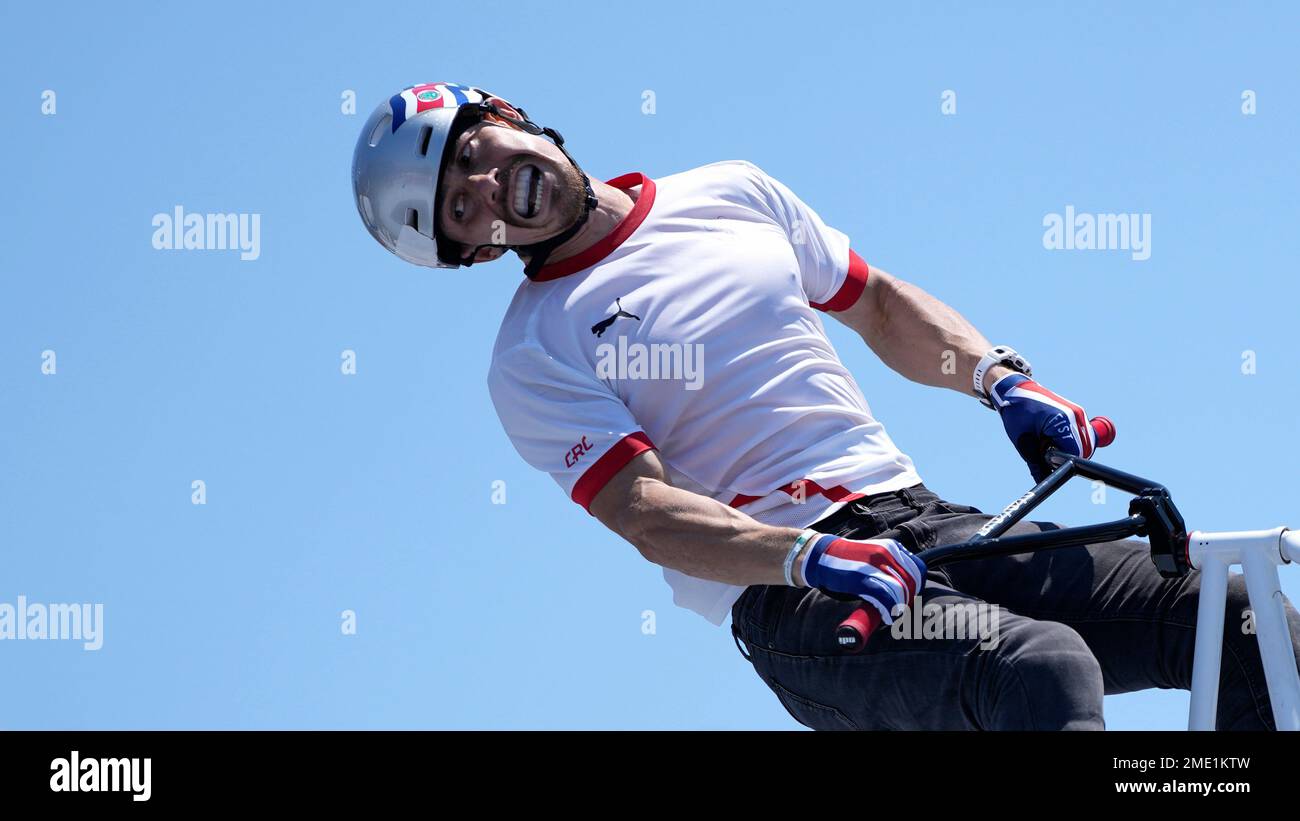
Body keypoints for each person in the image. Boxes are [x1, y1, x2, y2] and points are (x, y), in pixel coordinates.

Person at [351, 82, 1300, 730]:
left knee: (1244, 617)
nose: (483, 187)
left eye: (474, 152)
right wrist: (805, 555)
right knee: (1038, 670)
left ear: (511, 116)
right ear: (474, 252)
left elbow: (878, 302)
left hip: (928, 525)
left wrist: (1000, 378)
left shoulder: (728, 191)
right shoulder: (533, 348)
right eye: (461, 211)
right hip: (799, 598)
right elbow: (643, 512)